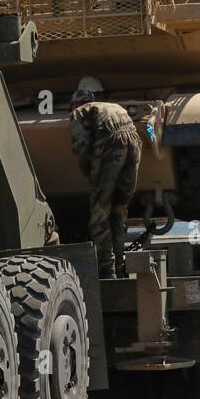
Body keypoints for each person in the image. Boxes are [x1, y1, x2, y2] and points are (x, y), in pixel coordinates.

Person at [69, 79, 142, 278]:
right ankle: (121, 264)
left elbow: (81, 146)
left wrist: (88, 170)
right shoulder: (113, 106)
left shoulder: (79, 111)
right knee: (119, 209)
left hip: (110, 143)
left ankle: (106, 269)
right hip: (133, 141)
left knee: (100, 211)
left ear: (76, 103)